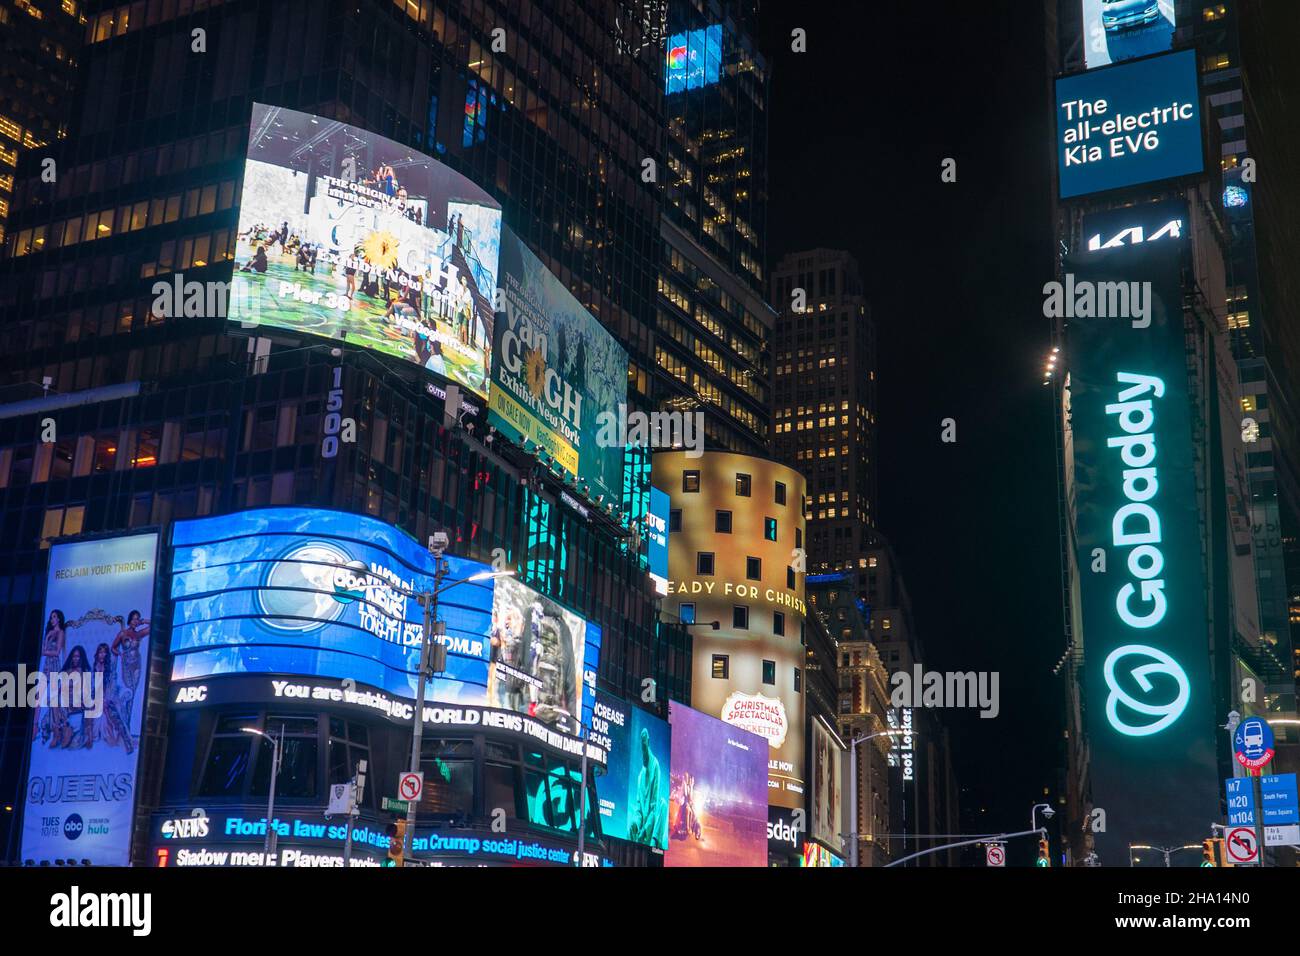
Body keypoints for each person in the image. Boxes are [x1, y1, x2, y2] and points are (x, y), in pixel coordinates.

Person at [87, 643, 133, 753]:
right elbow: (92, 685)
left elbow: (112, 685)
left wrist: (107, 699)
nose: (102, 655)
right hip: (96, 696)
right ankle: (90, 738)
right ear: (97, 654)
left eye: (104, 652)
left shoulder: (110, 668)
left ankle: (125, 742)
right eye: (100, 652)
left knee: (112, 712)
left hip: (109, 696)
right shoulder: (94, 667)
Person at [627, 727, 668, 848]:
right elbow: (639, 808)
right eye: (642, 746)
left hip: (651, 823)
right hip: (642, 825)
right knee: (631, 825)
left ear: (648, 743)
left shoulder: (655, 765)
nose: (643, 750)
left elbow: (654, 806)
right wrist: (637, 823)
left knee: (663, 805)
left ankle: (654, 843)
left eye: (645, 745)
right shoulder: (640, 777)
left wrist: (645, 829)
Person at [111, 610, 149, 726]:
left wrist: (143, 621)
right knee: (129, 691)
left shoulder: (139, 634)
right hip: (126, 664)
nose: (135, 621)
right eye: (133, 618)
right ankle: (124, 720)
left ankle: (128, 722)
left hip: (137, 664)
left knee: (133, 691)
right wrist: (120, 654)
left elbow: (153, 625)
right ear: (129, 620)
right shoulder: (123, 633)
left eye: (137, 619)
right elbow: (113, 647)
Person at [34, 610, 65, 743]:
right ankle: (34, 727)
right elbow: (43, 649)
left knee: (53, 698)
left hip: (54, 666)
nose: (52, 619)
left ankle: (56, 728)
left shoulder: (60, 633)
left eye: (54, 617)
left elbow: (57, 652)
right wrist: (46, 638)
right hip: (46, 665)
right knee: (37, 697)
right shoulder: (49, 632)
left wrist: (44, 652)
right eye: (51, 617)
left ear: (59, 619)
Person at [54, 645, 89, 749]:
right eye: (73, 656)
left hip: (77, 700)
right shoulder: (67, 671)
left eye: (78, 656)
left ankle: (67, 730)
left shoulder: (84, 672)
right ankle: (60, 731)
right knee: (56, 701)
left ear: (81, 658)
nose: (75, 659)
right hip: (66, 699)